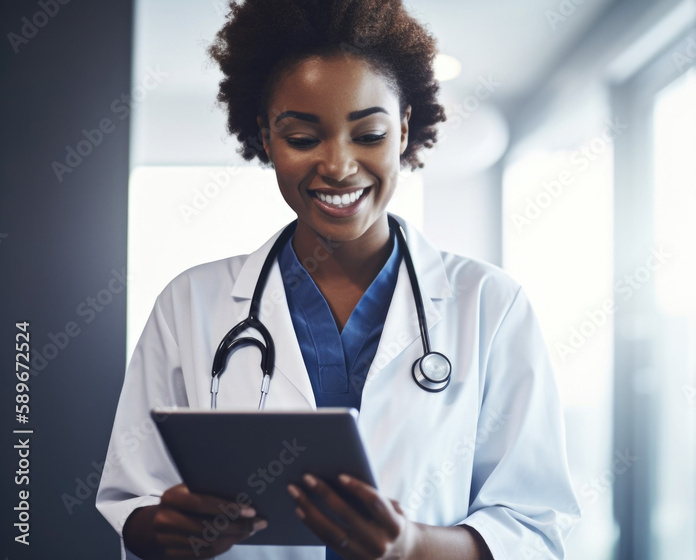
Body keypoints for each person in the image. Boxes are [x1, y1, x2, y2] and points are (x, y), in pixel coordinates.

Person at [94, 1, 580, 559]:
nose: (339, 166)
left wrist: (413, 546)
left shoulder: (490, 305)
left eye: (368, 134)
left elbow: (536, 528)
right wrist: (164, 526)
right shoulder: (190, 304)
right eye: (303, 138)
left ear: (402, 131)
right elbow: (131, 500)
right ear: (266, 138)